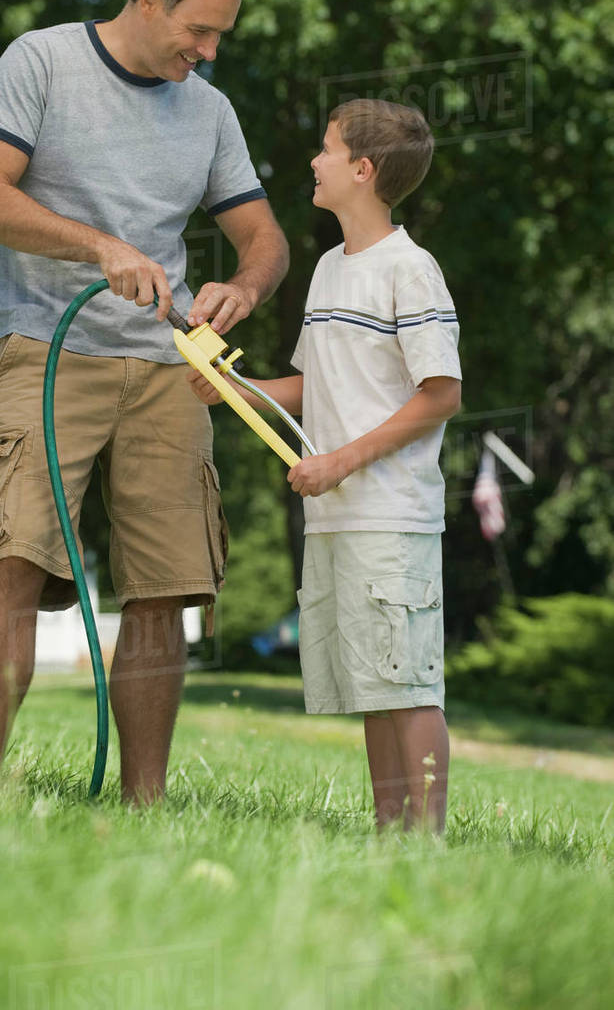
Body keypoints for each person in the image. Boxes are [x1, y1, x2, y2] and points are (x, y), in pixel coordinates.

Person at [0, 0, 289, 803]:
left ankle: (146, 805)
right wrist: (97, 245)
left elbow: (263, 239)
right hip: (46, 347)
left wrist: (244, 290)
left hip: (167, 368)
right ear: (150, 0)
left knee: (164, 587)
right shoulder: (43, 62)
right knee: (14, 559)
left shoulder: (209, 112)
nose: (208, 53)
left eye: (220, 35)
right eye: (199, 31)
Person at [189, 99, 461, 831]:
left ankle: (425, 844)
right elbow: (317, 388)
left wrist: (338, 462)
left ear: (363, 170)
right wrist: (230, 390)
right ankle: (388, 838)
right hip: (334, 515)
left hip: (388, 512)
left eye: (328, 149)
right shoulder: (329, 271)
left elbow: (440, 394)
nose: (314, 160)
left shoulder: (411, 270)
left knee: (406, 685)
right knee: (373, 688)